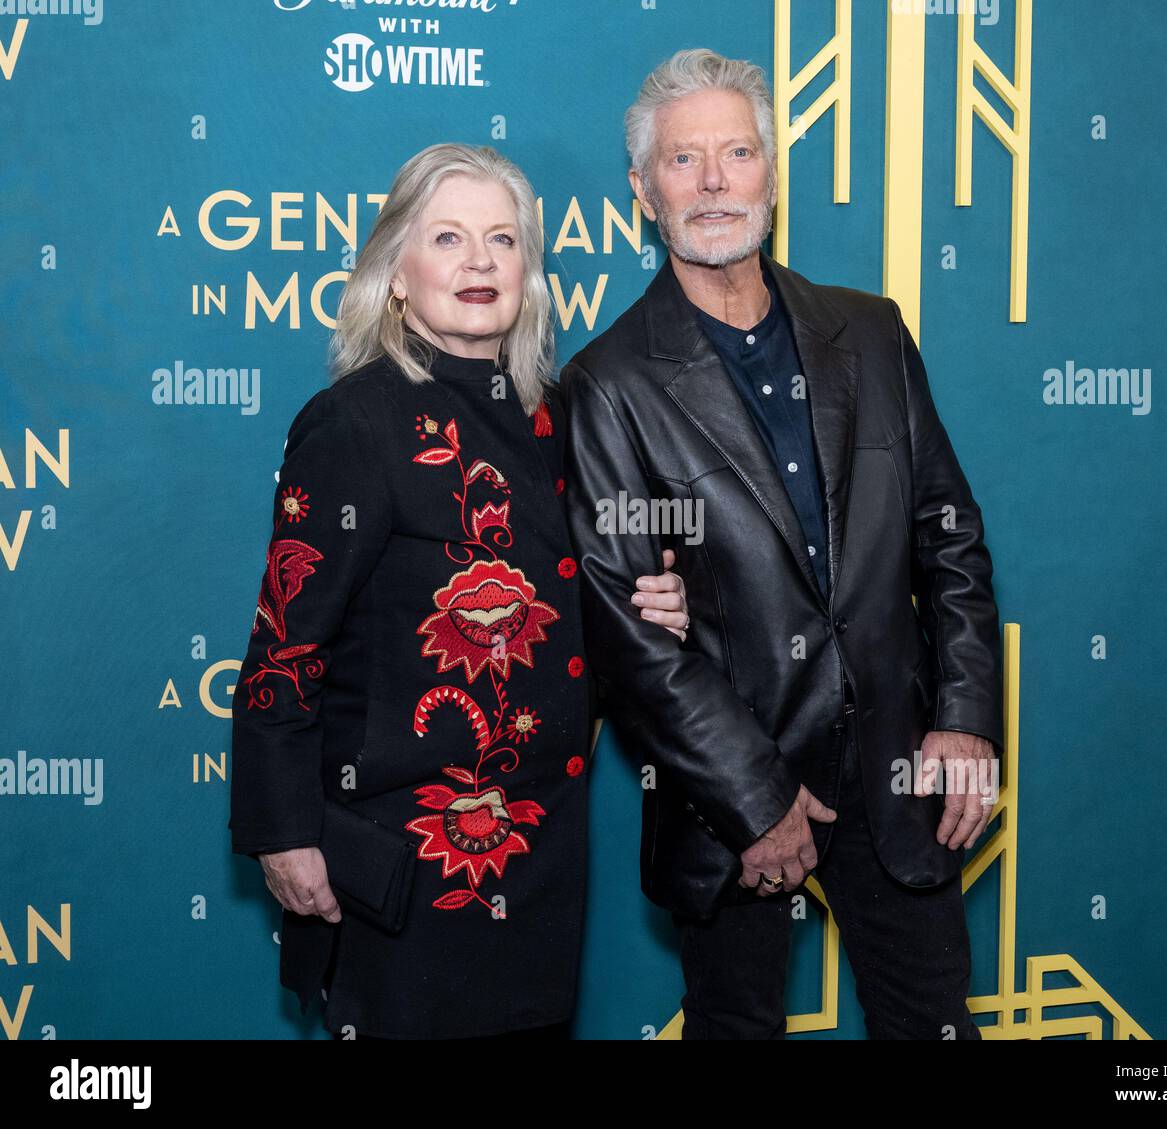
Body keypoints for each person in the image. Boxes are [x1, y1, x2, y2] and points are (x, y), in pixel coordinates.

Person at [561, 49, 1004, 1039]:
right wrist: (756, 800)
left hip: (901, 778)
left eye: (737, 152)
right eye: (682, 161)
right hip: (735, 804)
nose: (713, 182)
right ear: (641, 191)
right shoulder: (610, 386)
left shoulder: (873, 333)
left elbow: (949, 534)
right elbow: (635, 634)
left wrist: (967, 718)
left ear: (771, 171)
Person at [227, 142, 689, 1041]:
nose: (480, 260)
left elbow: (565, 632)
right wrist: (285, 838)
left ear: (529, 272)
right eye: (448, 237)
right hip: (408, 871)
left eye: (503, 240)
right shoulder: (351, 423)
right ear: (396, 273)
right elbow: (284, 654)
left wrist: (650, 612)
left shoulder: (560, 421)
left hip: (543, 864)